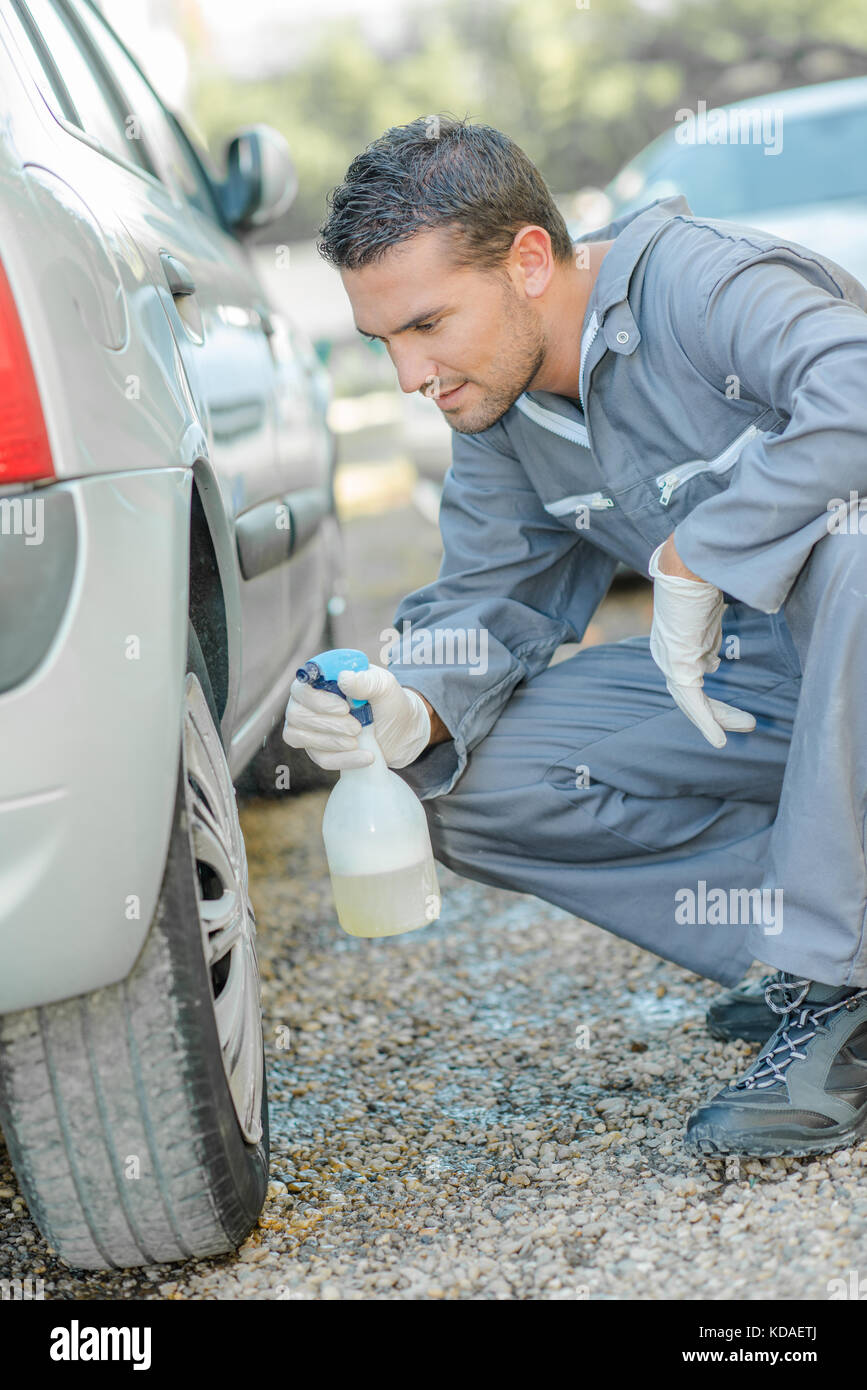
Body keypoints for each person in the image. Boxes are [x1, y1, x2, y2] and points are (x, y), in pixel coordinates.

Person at [284, 114, 867, 1158]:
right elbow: (483, 598)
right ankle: (812, 955)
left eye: (427, 324)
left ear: (531, 259)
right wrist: (405, 704)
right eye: (384, 341)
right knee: (466, 775)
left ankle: (841, 981)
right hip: (782, 698)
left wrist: (700, 550)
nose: (408, 376)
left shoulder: (703, 285)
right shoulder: (500, 416)